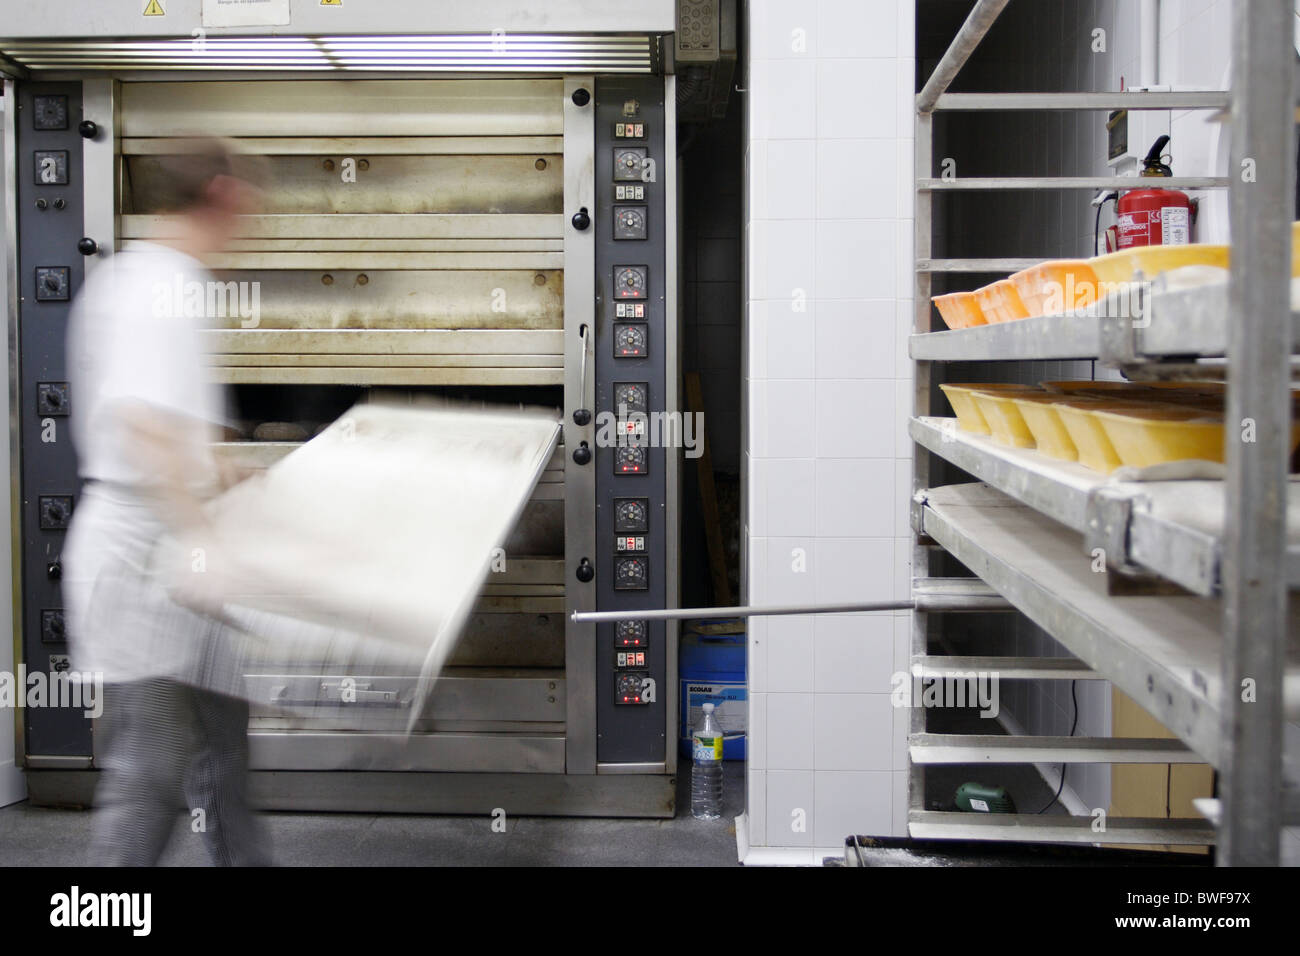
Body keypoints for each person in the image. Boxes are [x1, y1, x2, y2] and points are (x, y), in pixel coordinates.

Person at [62, 138, 270, 866]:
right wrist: (202, 539)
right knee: (151, 771)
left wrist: (225, 469)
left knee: (223, 757)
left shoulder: (151, 278)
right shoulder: (161, 285)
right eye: (250, 201)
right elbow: (140, 426)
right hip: (139, 564)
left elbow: (163, 429)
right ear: (221, 194)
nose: (254, 220)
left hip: (174, 558)